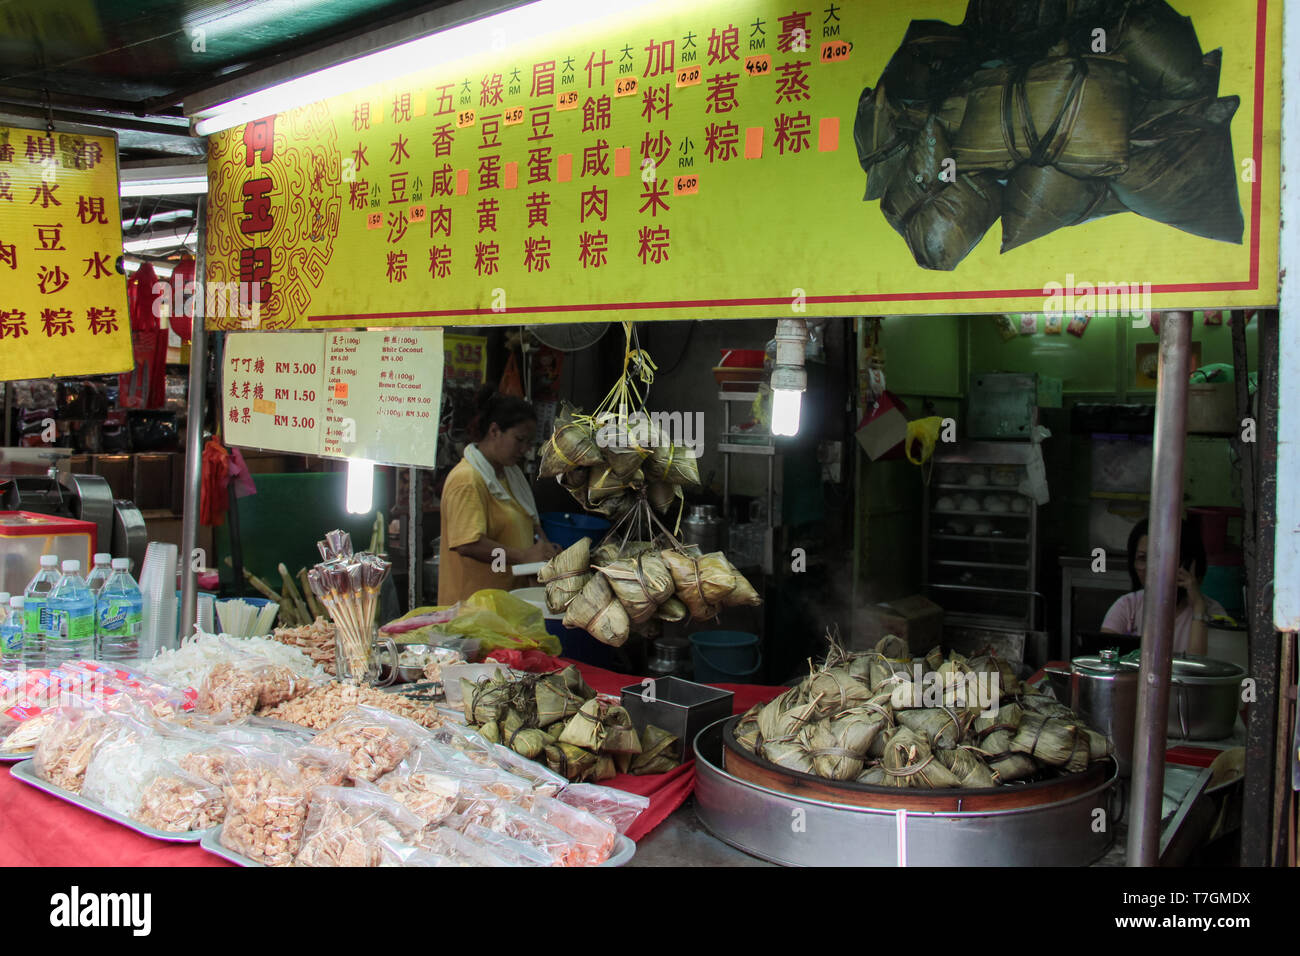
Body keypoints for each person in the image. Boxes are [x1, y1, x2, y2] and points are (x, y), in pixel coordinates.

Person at [437, 387, 560, 605]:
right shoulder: (467, 480)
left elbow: (529, 523)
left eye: (529, 443)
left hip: (505, 606)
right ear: (494, 431)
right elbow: (468, 545)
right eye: (519, 439)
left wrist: (545, 551)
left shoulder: (509, 475)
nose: (524, 449)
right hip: (473, 612)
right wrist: (522, 556)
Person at [1100, 518, 1226, 656]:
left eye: (1160, 558)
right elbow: (1104, 662)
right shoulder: (1127, 606)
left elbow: (1198, 671)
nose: (1151, 568)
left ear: (1188, 563)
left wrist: (1198, 608)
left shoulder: (1214, 613)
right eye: (1142, 558)